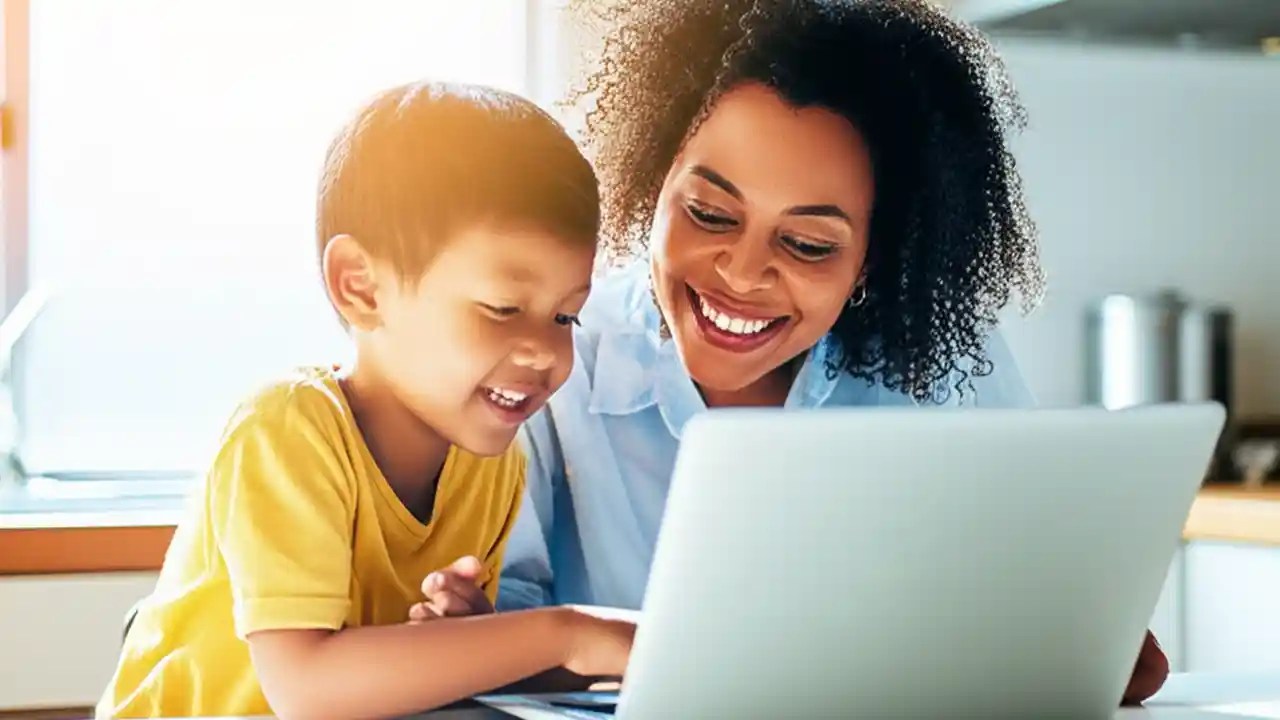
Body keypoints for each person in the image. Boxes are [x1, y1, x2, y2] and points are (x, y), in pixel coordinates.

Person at [415, 0, 1170, 706]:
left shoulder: (939, 363)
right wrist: (477, 633)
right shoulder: (557, 350)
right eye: (709, 212)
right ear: (654, 185)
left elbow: (1077, 635)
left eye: (807, 243)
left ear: (873, 257)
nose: (743, 274)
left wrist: (1078, 637)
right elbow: (494, 636)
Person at [96, 81, 634, 720]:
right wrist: (570, 633)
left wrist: (472, 634)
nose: (545, 353)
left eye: (565, 317)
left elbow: (422, 680)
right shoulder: (286, 430)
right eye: (502, 308)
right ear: (362, 288)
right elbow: (306, 688)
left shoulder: (493, 463)